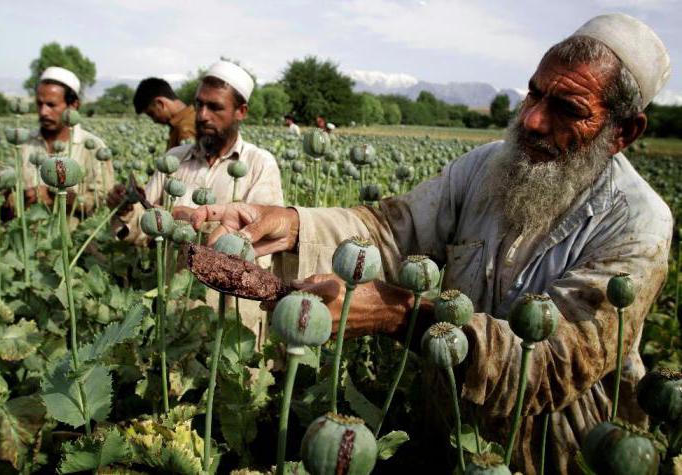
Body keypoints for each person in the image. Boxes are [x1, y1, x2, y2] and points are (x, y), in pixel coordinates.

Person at [190, 14, 672, 474]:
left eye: (568, 109)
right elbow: (390, 230)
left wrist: (399, 314)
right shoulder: (486, 166)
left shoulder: (638, 224)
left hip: (554, 453)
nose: (533, 121)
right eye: (533, 93)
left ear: (623, 132)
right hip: (441, 435)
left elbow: (550, 363)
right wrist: (292, 224)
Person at [108, 60, 284, 346]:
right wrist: (127, 210)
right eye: (199, 104)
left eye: (215, 107)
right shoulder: (174, 160)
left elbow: (262, 244)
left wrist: (197, 222)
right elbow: (144, 231)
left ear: (241, 112)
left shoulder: (259, 164)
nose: (202, 115)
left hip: (230, 323)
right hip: (174, 314)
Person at [0, 66, 114, 217]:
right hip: (27, 235)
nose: (43, 112)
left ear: (73, 105)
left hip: (75, 238)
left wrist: (55, 195)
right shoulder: (22, 144)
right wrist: (0, 198)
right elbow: (10, 203)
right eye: (39, 104)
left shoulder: (94, 147)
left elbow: (102, 203)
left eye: (51, 105)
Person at [133, 77, 196, 150]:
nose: (154, 121)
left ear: (160, 103)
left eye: (151, 114)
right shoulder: (190, 119)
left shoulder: (185, 129)